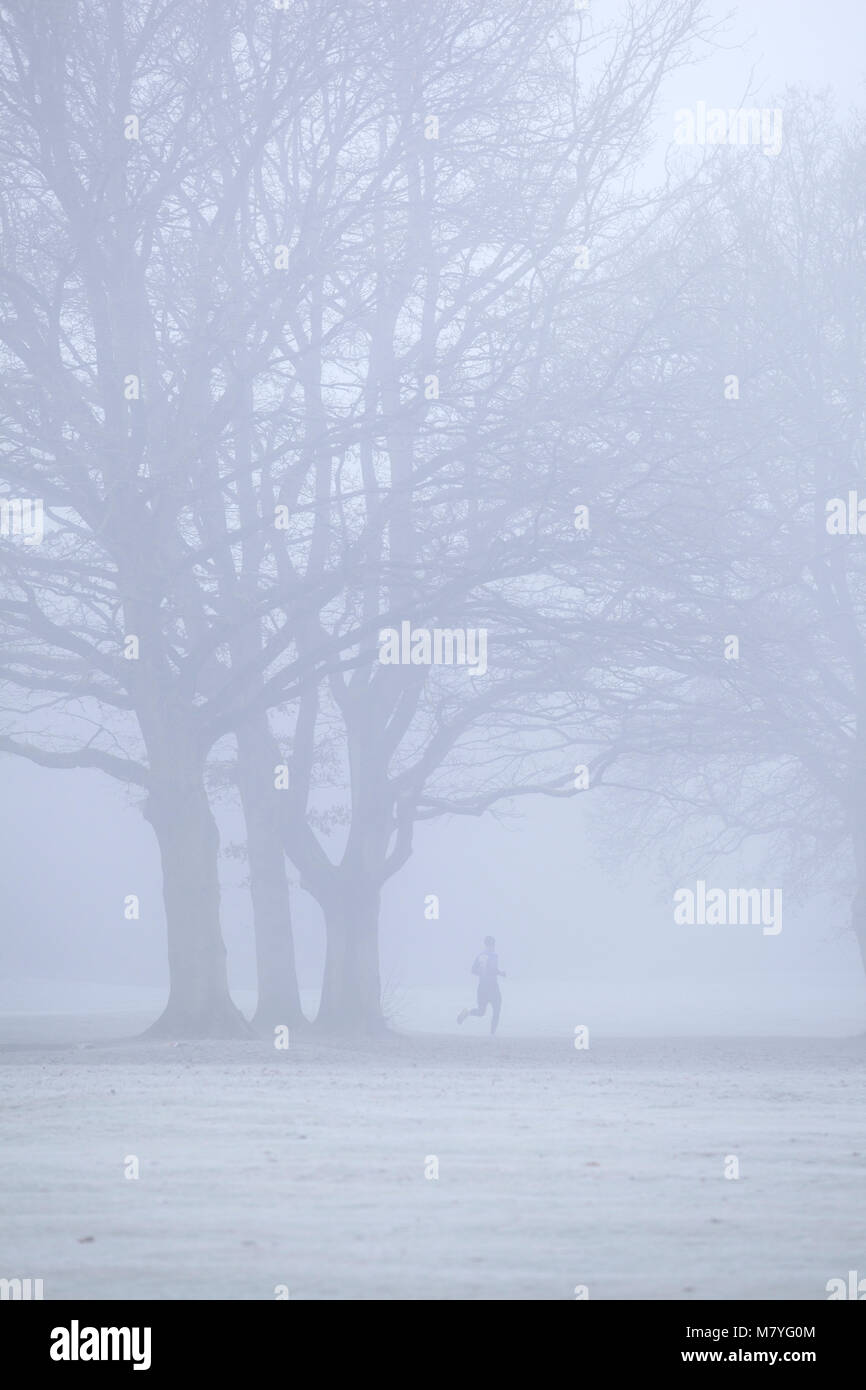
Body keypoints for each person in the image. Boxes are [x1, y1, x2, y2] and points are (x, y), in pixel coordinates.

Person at [457, 935, 506, 1034]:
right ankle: (492, 1034)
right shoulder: (493, 956)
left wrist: (482, 972)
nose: (493, 947)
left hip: (482, 987)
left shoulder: (479, 956)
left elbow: (473, 970)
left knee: (481, 1012)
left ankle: (467, 1012)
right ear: (492, 945)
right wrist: (500, 973)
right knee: (497, 1009)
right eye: (493, 945)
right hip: (492, 987)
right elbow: (492, 970)